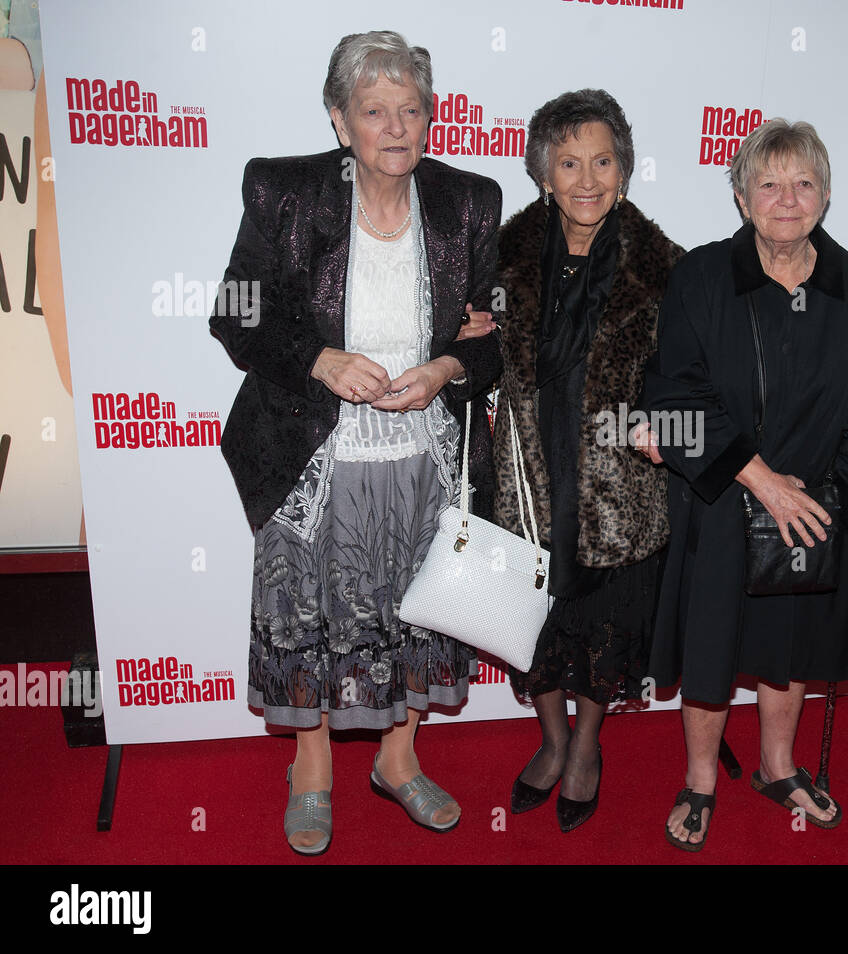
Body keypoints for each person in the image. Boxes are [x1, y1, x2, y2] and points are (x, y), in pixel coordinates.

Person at [209, 31, 502, 854]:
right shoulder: (286, 192)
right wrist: (317, 359)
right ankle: (313, 771)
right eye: (375, 111)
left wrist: (448, 364)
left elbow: (492, 335)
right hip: (314, 451)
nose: (397, 127)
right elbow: (236, 313)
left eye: (412, 109)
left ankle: (398, 761)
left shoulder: (470, 202)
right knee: (311, 615)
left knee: (414, 613)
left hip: (423, 460)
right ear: (342, 122)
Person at [642, 119, 848, 851]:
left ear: (825, 195)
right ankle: (700, 780)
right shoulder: (701, 277)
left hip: (816, 510)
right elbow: (673, 396)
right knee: (711, 649)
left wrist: (836, 510)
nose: (786, 199)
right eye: (769, 183)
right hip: (720, 499)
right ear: (739, 196)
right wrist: (759, 479)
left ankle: (777, 767)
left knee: (790, 647)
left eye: (803, 183)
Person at [493, 89, 682, 832]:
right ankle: (551, 739)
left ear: (625, 172)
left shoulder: (665, 268)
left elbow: (685, 379)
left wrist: (665, 424)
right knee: (530, 623)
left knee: (604, 625)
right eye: (568, 161)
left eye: (602, 160)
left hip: (617, 483)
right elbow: (474, 359)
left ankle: (588, 746)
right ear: (543, 171)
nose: (586, 178)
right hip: (525, 477)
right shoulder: (501, 255)